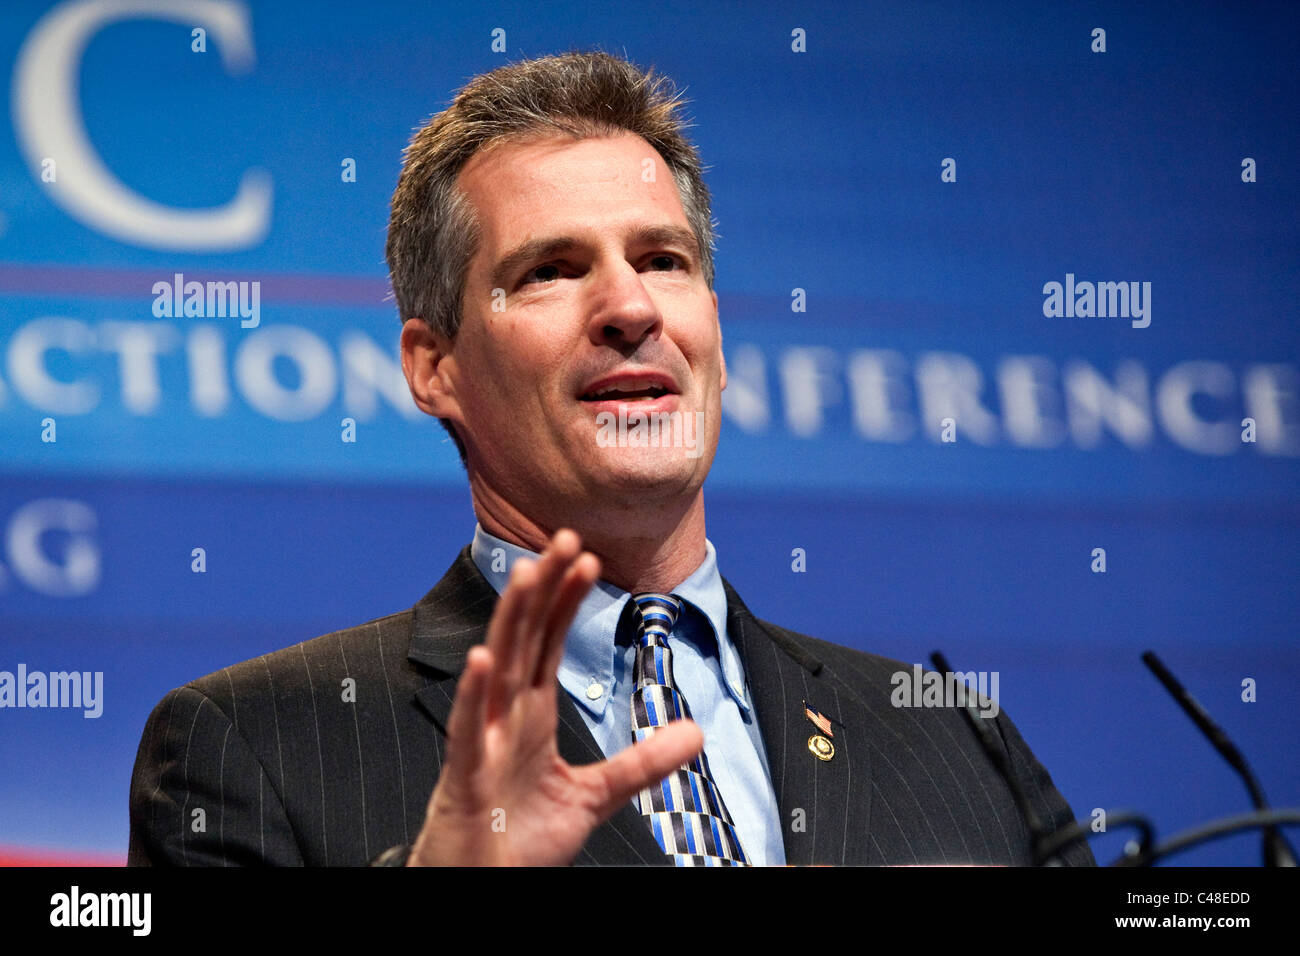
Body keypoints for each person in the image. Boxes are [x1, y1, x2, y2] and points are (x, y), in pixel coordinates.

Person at [128, 50, 1094, 867]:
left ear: (714, 328)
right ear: (435, 367)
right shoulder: (254, 745)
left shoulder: (950, 738)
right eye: (551, 271)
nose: (631, 309)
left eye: (664, 261)